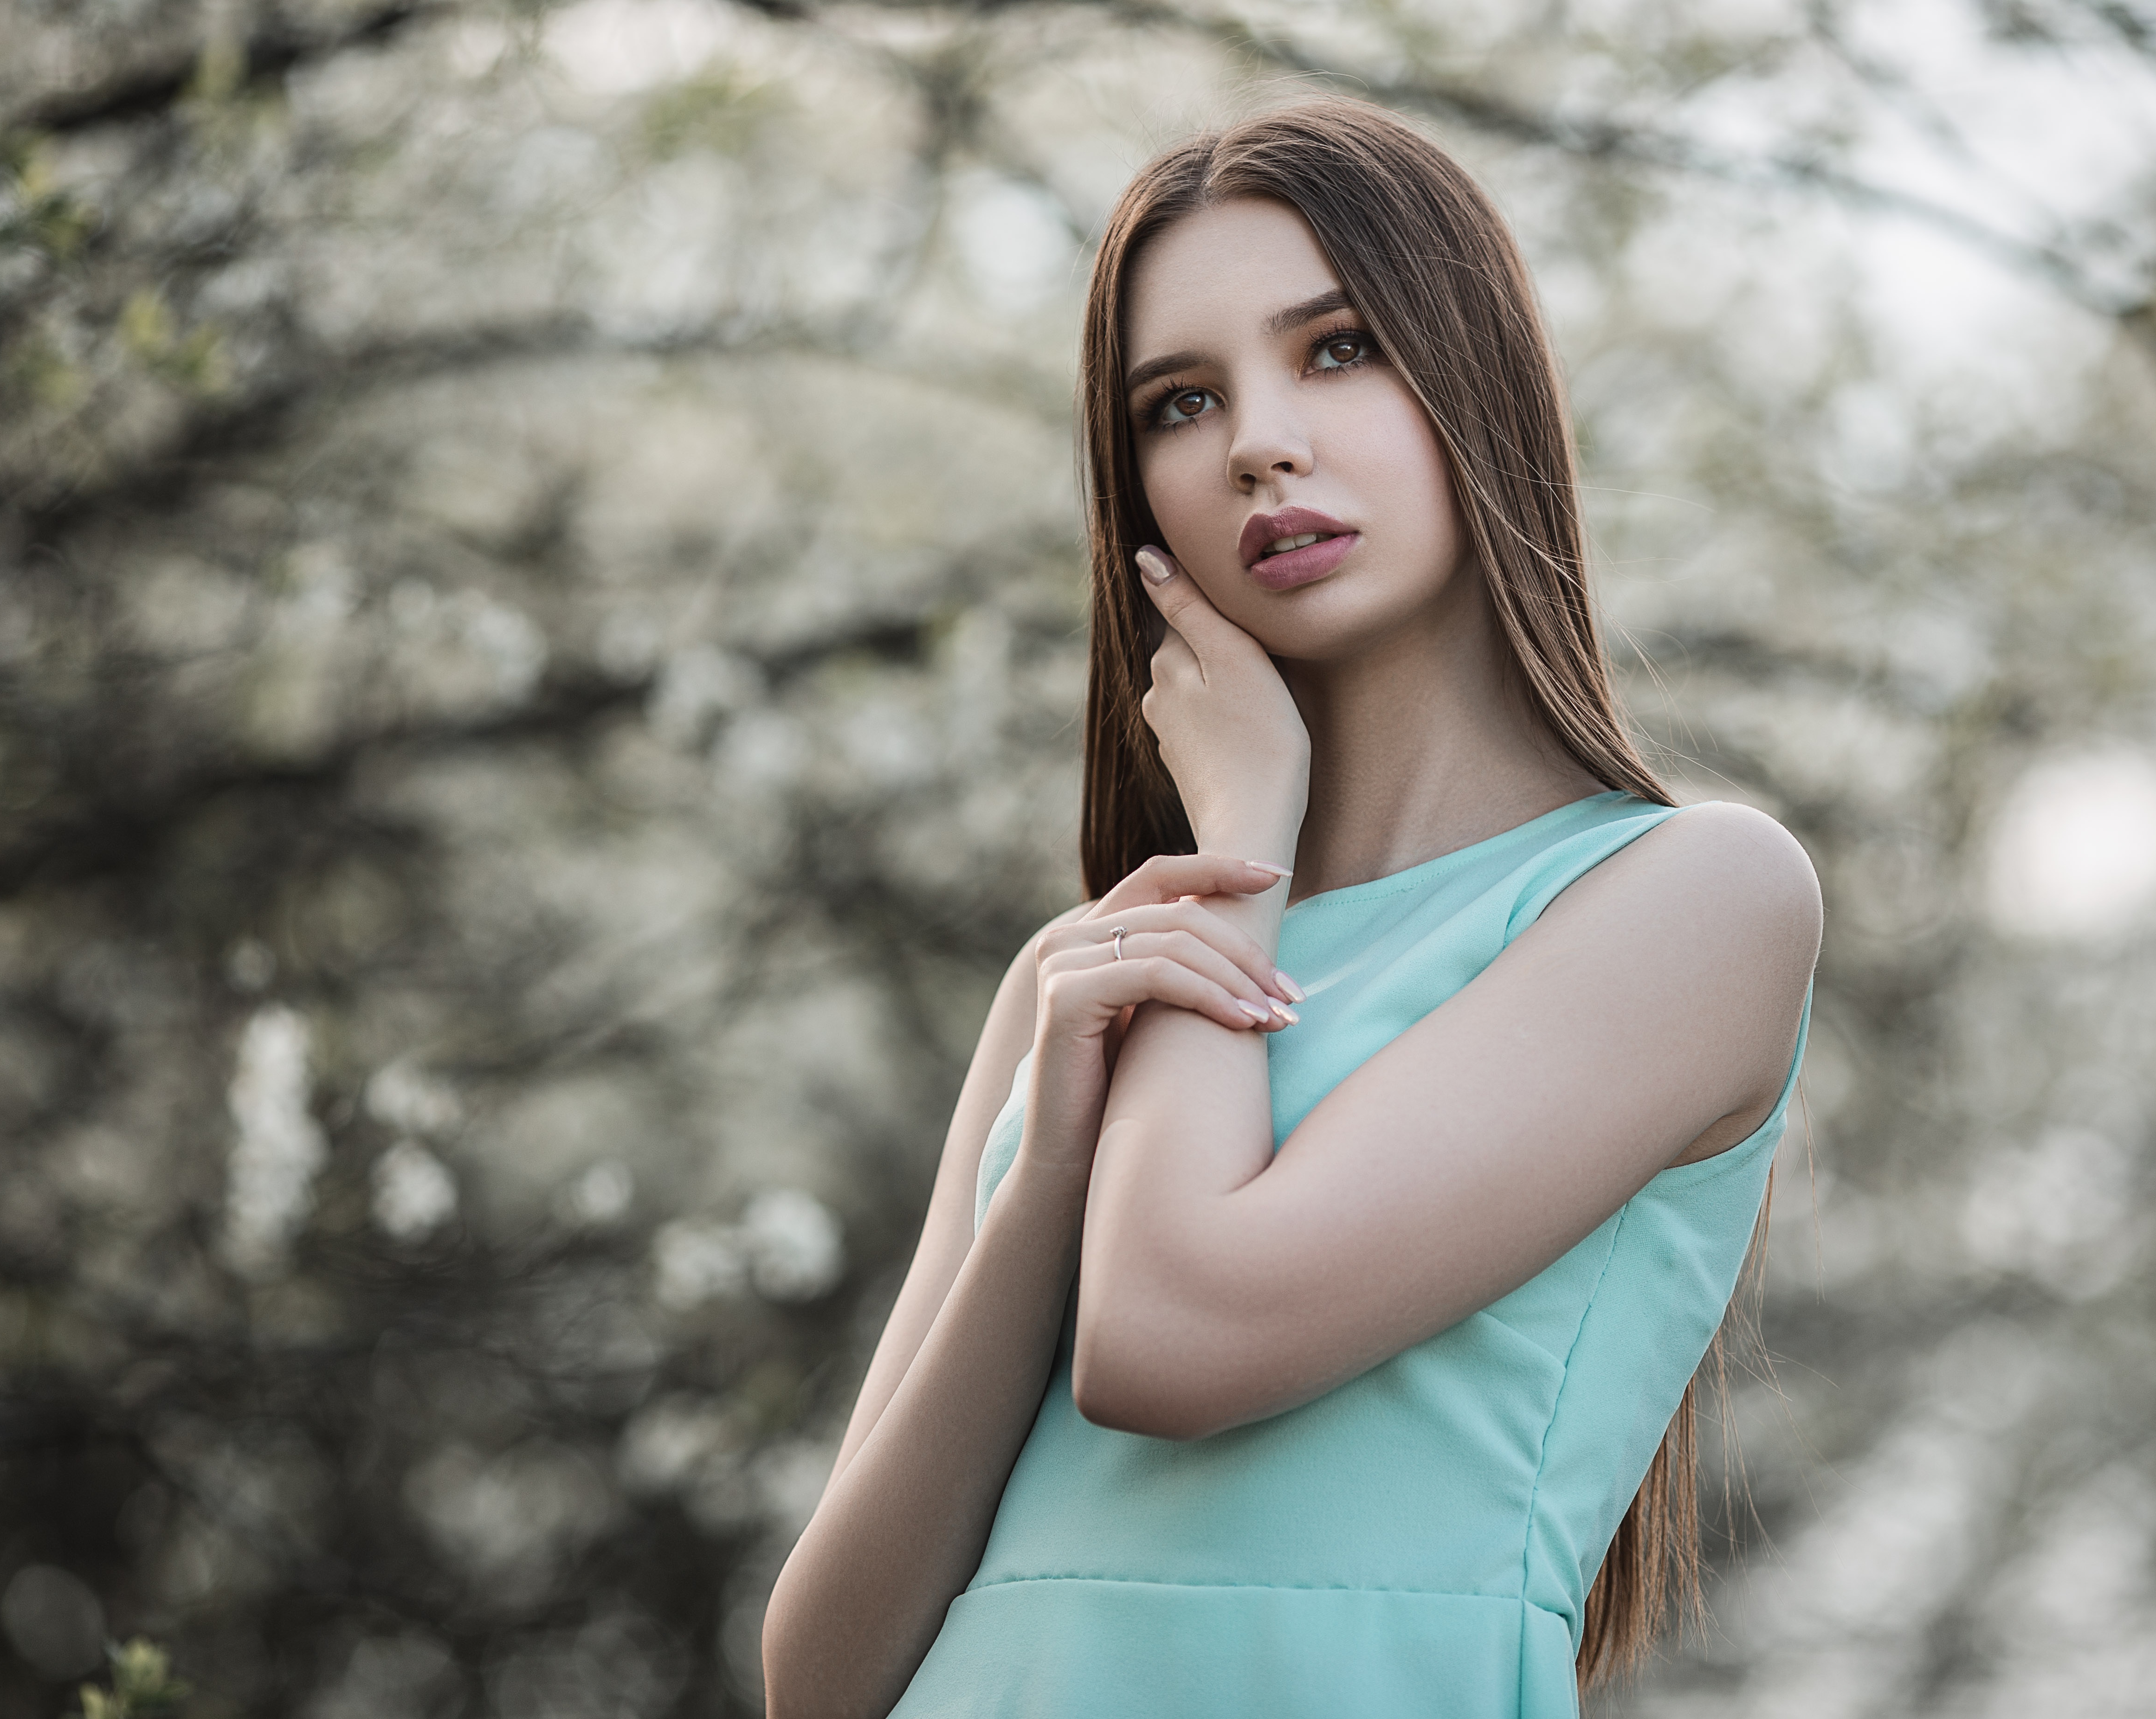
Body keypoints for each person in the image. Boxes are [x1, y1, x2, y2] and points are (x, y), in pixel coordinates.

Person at [761, 97, 1821, 1719]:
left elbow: (1172, 1338)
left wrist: (1243, 819)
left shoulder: (1697, 899)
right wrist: (1052, 1162)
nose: (1257, 439)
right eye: (1181, 402)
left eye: (1336, 350)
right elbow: (825, 1670)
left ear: (1477, 379)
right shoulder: (1088, 972)